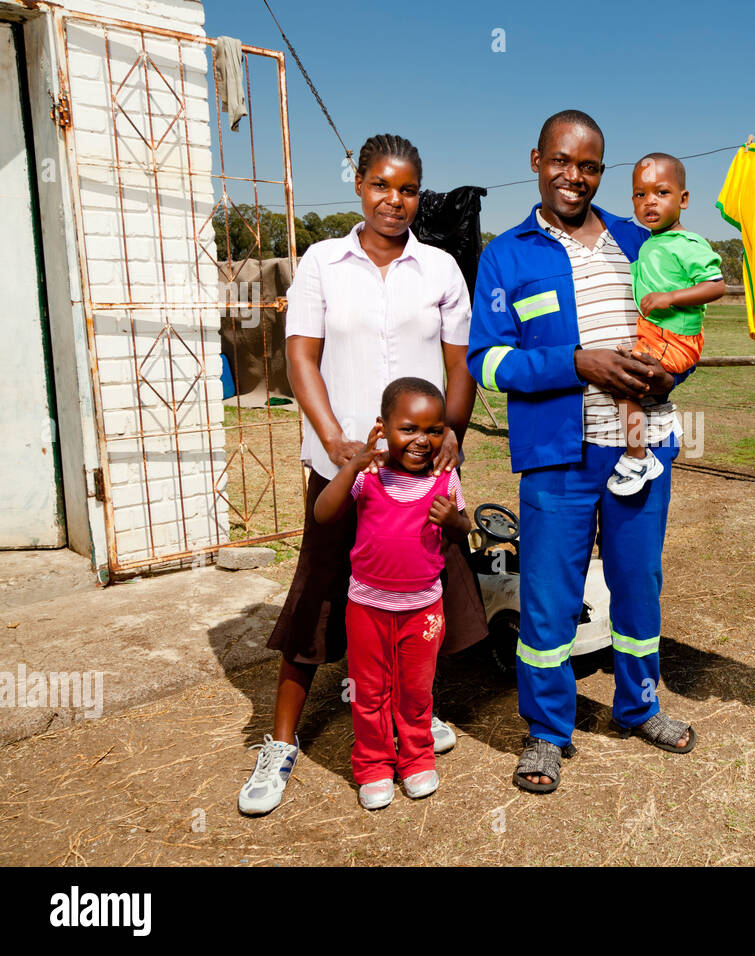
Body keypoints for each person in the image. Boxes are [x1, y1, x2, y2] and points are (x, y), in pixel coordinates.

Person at [238, 134, 476, 816]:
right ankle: (280, 742)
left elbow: (459, 365)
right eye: (380, 185)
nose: (392, 200)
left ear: (418, 194)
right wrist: (335, 440)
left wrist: (451, 432)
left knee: (425, 594)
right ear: (359, 185)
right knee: (320, 593)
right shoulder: (322, 263)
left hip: (422, 473)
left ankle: (409, 717)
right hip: (344, 468)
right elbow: (300, 359)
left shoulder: (439, 270)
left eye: (406, 189)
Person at [468, 110, 697, 795]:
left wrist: (670, 373)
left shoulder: (638, 241)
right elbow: (488, 361)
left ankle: (639, 707)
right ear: (537, 159)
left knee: (637, 584)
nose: (575, 176)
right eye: (562, 161)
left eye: (590, 166)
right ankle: (546, 733)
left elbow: (679, 325)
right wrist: (577, 363)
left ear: (603, 171)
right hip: (555, 453)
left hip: (639, 446)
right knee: (547, 600)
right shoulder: (507, 255)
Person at [313, 377, 471, 810]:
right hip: (367, 609)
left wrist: (453, 521)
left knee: (416, 692)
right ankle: (373, 765)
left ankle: (417, 759)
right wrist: (351, 464)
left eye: (434, 430)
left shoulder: (445, 477)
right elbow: (323, 514)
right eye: (409, 429)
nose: (422, 440)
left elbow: (464, 529)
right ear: (383, 427)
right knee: (369, 693)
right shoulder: (368, 475)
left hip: (424, 611)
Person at [610, 153, 725, 495]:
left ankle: (637, 456)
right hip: (655, 334)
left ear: (683, 199)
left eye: (661, 193)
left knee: (623, 381)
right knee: (625, 376)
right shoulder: (652, 241)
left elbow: (716, 285)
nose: (650, 202)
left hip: (673, 338)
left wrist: (668, 298)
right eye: (640, 194)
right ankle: (653, 424)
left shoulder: (689, 244)